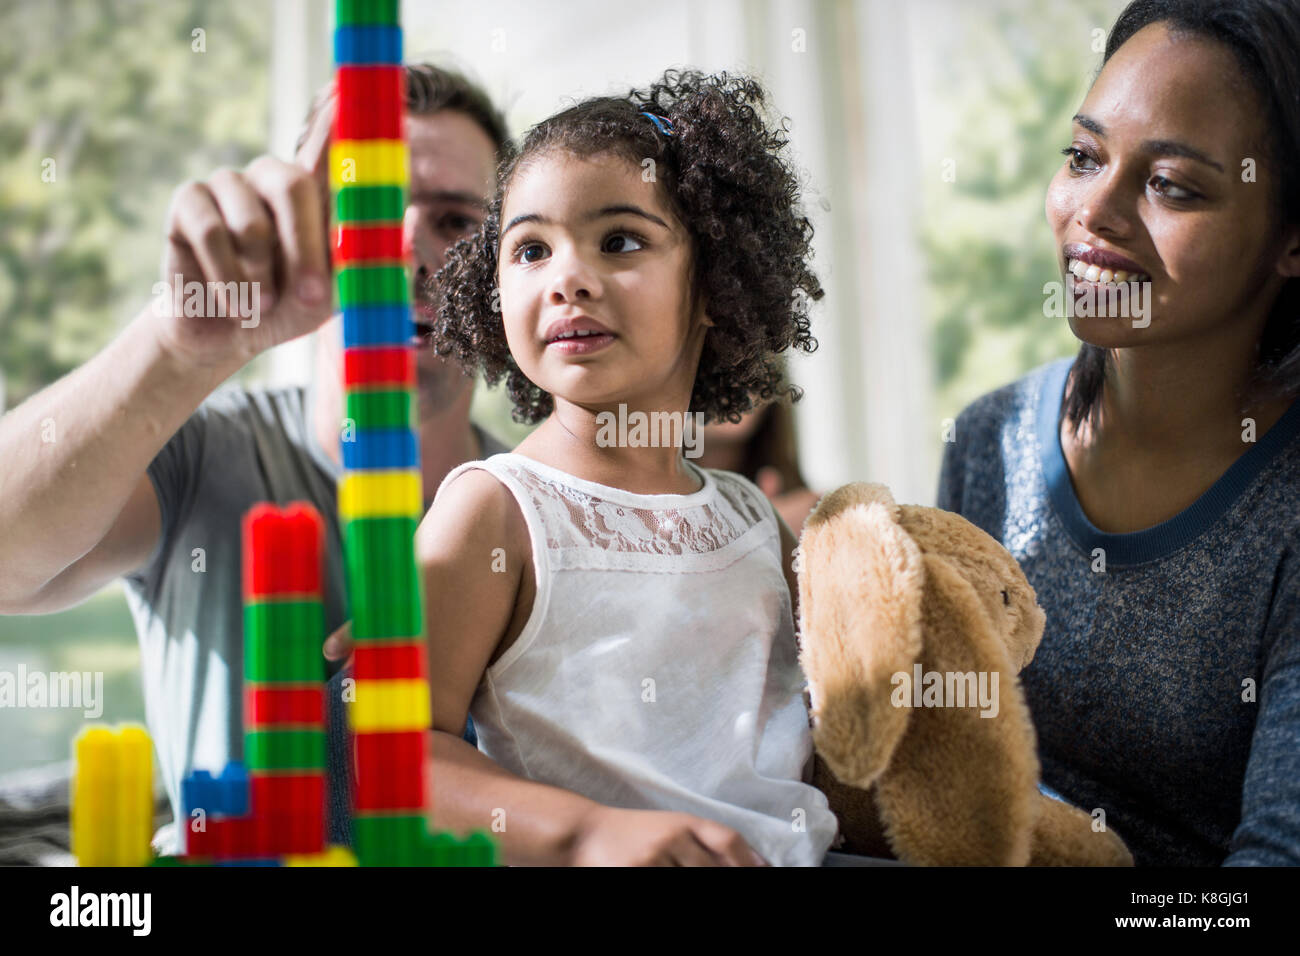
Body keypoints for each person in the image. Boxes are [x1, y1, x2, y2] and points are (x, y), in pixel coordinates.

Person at [0, 63, 511, 854]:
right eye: (368, 207)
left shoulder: (538, 508)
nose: (407, 255)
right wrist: (177, 349)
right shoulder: (204, 450)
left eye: (455, 223)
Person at [415, 68, 836, 866]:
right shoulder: (495, 511)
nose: (568, 278)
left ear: (712, 282)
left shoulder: (751, 517)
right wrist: (587, 834)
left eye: (619, 241)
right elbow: (394, 759)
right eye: (531, 248)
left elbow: (813, 744)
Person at [938, 0, 1300, 865]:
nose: (1093, 211)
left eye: (1171, 185)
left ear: (1291, 239)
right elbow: (941, 760)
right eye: (1084, 157)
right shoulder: (990, 441)